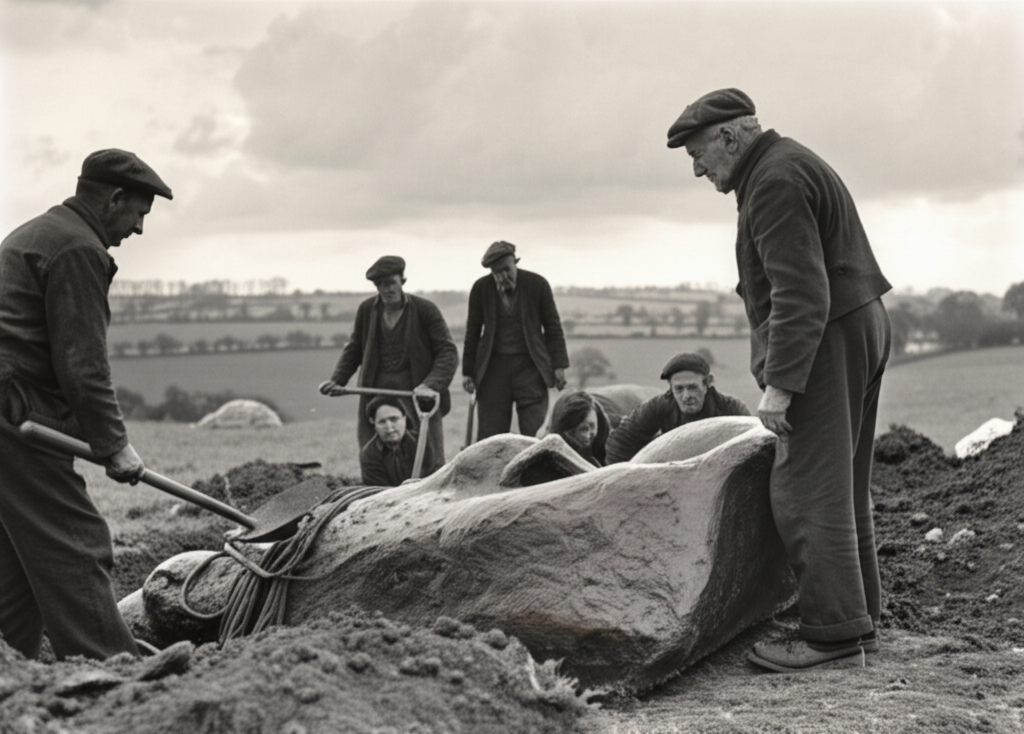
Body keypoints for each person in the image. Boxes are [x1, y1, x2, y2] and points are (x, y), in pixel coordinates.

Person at [667, 88, 892, 671]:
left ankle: (833, 637)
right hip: (856, 326)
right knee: (841, 485)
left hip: (823, 341)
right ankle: (857, 622)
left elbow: (800, 291)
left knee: (804, 490)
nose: (697, 168)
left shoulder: (773, 182)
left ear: (731, 137)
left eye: (699, 153)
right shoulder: (786, 164)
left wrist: (781, 383)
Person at [0, 149, 173, 660]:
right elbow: (82, 364)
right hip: (17, 414)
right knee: (76, 542)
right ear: (114, 198)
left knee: (18, 558)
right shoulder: (78, 249)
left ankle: (12, 673)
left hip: (11, 408)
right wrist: (114, 444)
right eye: (139, 213)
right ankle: (118, 670)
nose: (139, 229)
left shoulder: (39, 232)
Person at [319, 256, 458, 465]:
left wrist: (431, 385)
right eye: (382, 285)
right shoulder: (367, 310)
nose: (388, 290)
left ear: (402, 281)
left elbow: (447, 351)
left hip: (417, 394)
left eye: (392, 283)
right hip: (377, 392)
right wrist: (337, 380)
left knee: (428, 458)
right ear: (377, 287)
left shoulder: (425, 310)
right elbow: (354, 348)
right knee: (375, 455)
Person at [462, 241, 569, 440]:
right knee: (490, 439)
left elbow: (553, 328)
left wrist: (559, 365)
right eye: (497, 273)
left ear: (515, 263)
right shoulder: (480, 289)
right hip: (493, 371)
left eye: (506, 270)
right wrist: (468, 372)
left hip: (530, 369)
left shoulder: (537, 285)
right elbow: (472, 332)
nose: (503, 277)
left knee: (535, 434)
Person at [604, 352, 750, 463]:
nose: (686, 396)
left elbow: (752, 447)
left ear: (707, 383)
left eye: (692, 387)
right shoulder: (660, 405)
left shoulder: (733, 410)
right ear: (670, 387)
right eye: (679, 389)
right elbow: (621, 440)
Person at [359, 395, 439, 486]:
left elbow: (433, 477)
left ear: (404, 418)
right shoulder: (369, 455)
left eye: (394, 419)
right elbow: (379, 493)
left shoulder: (421, 444)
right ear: (373, 422)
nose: (389, 428)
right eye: (382, 422)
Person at [548, 391, 608, 467]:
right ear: (568, 432)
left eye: (592, 426)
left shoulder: (605, 436)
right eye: (583, 429)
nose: (588, 435)